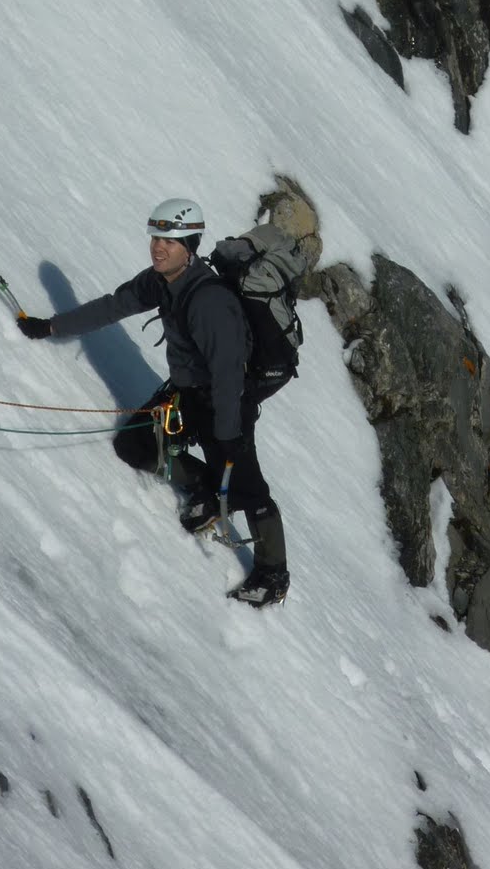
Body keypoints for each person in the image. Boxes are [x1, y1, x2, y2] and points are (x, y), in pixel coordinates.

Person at [17, 198, 290, 607]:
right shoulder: (160, 282)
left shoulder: (209, 302)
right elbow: (114, 305)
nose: (159, 247)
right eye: (156, 237)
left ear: (191, 245)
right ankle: (208, 492)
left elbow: (229, 374)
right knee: (136, 444)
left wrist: (230, 433)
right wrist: (53, 325)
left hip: (226, 399)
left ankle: (273, 575)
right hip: (187, 390)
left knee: (248, 484)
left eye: (171, 240)